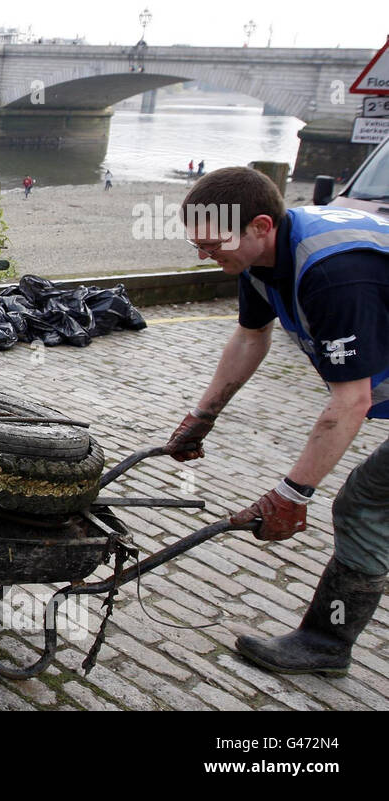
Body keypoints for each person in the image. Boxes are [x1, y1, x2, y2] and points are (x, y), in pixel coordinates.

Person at [167, 166, 389, 677]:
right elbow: (250, 337)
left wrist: (292, 495)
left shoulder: (333, 273)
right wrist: (202, 417)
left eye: (213, 243)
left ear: (260, 225)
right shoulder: (262, 261)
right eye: (196, 244)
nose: (204, 254)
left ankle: (326, 643)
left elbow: (350, 402)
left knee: (363, 504)